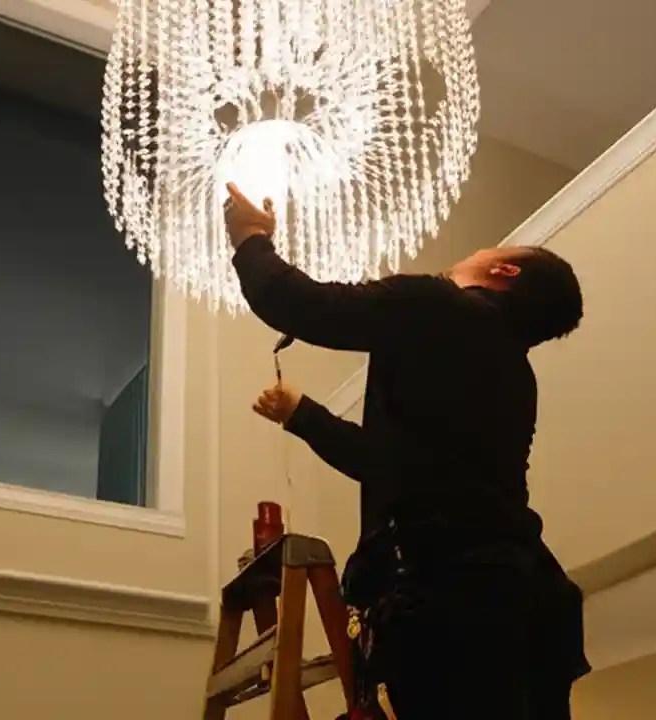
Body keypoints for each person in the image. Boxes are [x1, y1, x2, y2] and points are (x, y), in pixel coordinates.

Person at [223, 182, 591, 720]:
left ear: (505, 272)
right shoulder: (515, 376)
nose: (476, 251)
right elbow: (395, 466)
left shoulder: (438, 305)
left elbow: (301, 305)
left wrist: (249, 236)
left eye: (491, 249)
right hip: (524, 603)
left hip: (455, 604)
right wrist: (302, 415)